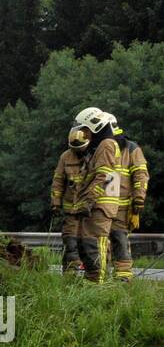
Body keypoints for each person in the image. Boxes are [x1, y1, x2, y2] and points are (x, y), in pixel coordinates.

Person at [73, 106, 120, 284]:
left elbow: (104, 176)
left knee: (96, 244)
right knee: (88, 243)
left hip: (100, 205)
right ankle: (94, 279)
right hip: (96, 204)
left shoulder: (107, 144)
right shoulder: (101, 146)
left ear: (95, 127)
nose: (84, 135)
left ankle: (97, 282)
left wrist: (88, 200)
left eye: (86, 130)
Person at [109, 118, 150, 282]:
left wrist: (138, 200)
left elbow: (141, 175)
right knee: (99, 241)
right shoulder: (99, 147)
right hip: (99, 205)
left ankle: (123, 276)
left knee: (119, 238)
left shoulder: (131, 148)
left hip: (122, 206)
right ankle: (99, 275)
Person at [51, 126, 90, 273]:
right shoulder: (65, 157)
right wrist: (55, 203)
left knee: (89, 243)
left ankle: (92, 273)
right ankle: (70, 274)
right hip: (71, 208)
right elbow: (58, 181)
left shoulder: (95, 155)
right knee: (70, 241)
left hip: (89, 209)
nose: (78, 152)